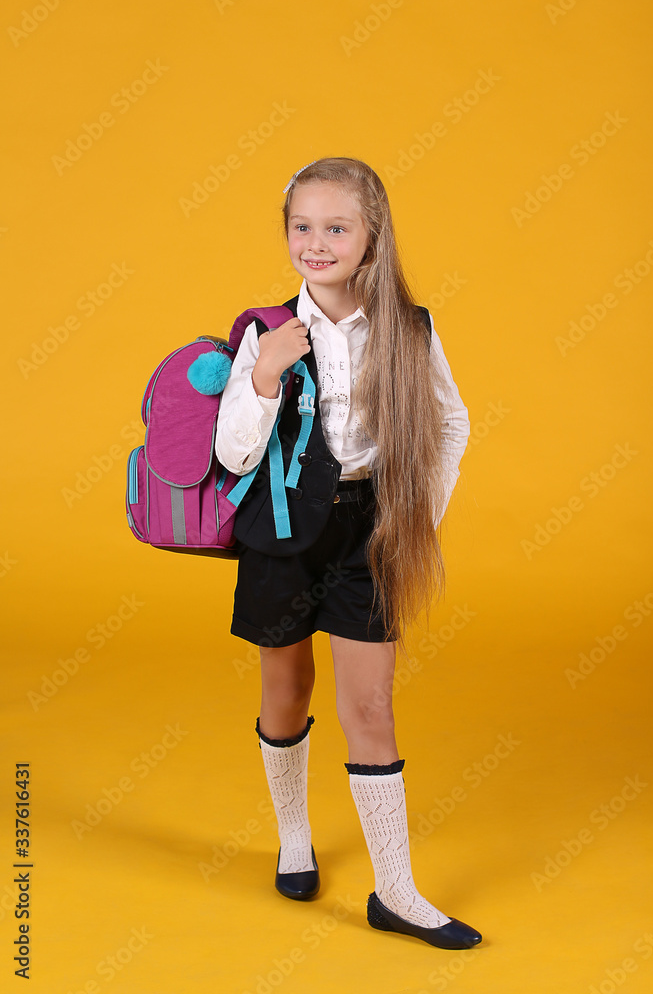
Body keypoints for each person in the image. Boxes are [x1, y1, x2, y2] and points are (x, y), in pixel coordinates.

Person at [214, 156, 482, 950]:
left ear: (372, 236)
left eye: (336, 228)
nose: (316, 243)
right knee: (286, 687)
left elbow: (450, 423)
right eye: (302, 226)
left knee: (370, 707)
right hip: (279, 529)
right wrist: (266, 376)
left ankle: (394, 891)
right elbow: (232, 456)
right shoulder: (264, 332)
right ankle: (293, 839)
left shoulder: (408, 328)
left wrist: (415, 519)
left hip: (369, 528)